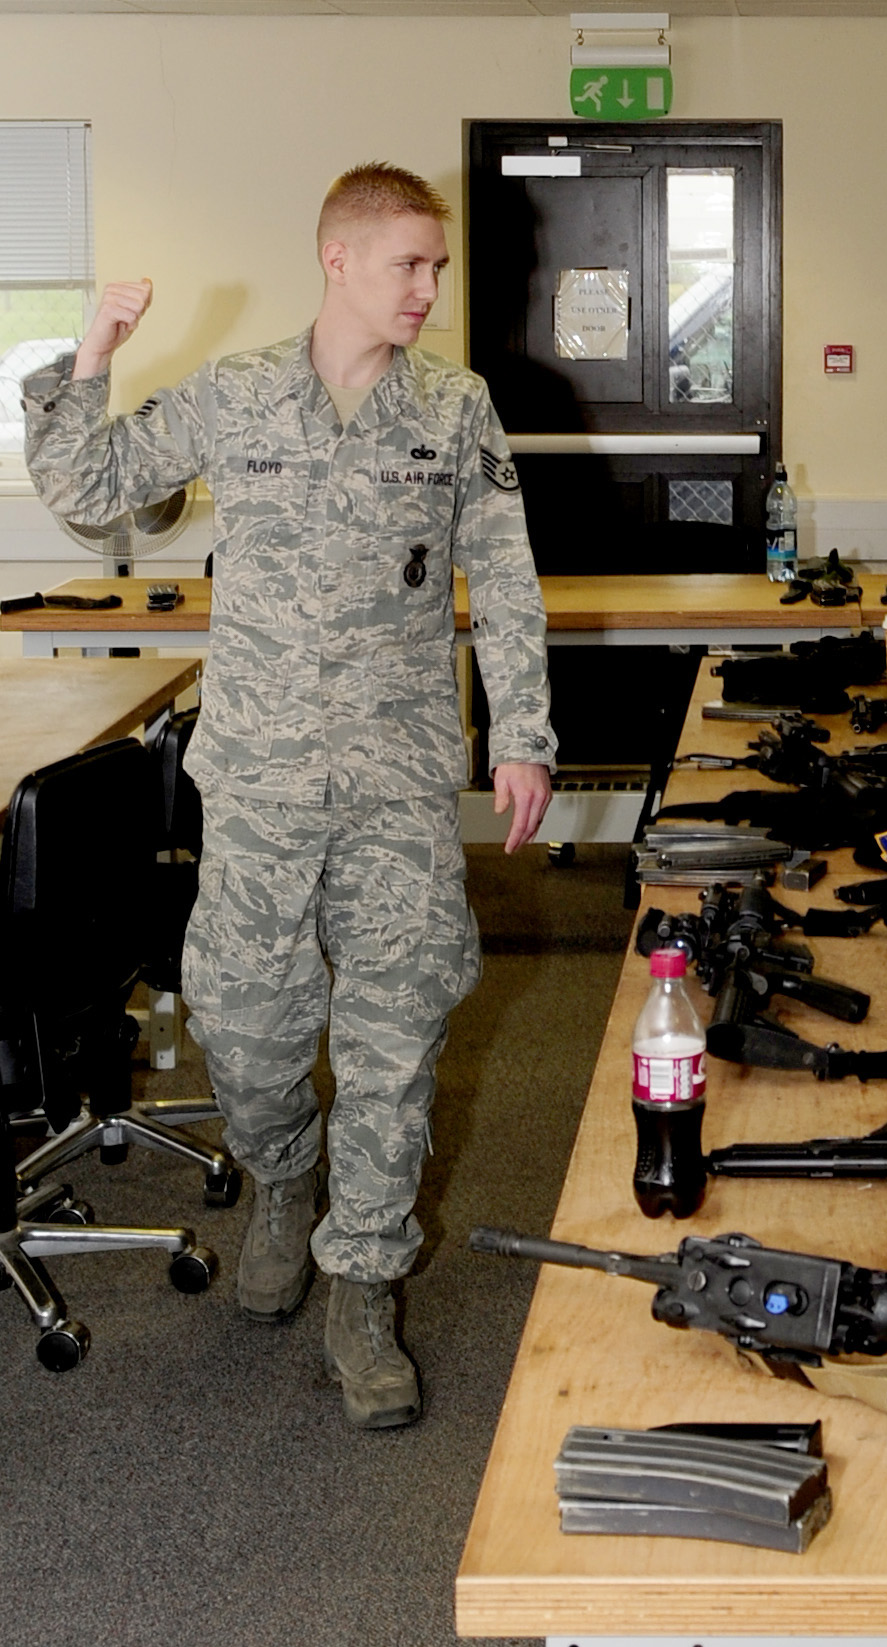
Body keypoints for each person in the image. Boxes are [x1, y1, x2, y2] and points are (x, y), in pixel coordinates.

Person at [23, 162, 557, 1431]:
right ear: (339, 259)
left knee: (396, 1038)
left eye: (438, 267)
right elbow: (92, 489)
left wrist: (524, 734)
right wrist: (94, 343)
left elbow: (510, 578)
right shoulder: (240, 392)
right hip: (259, 786)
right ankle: (282, 1182)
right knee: (246, 1036)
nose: (431, 288)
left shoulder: (456, 407)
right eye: (409, 265)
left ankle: (364, 1286)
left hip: (400, 791)